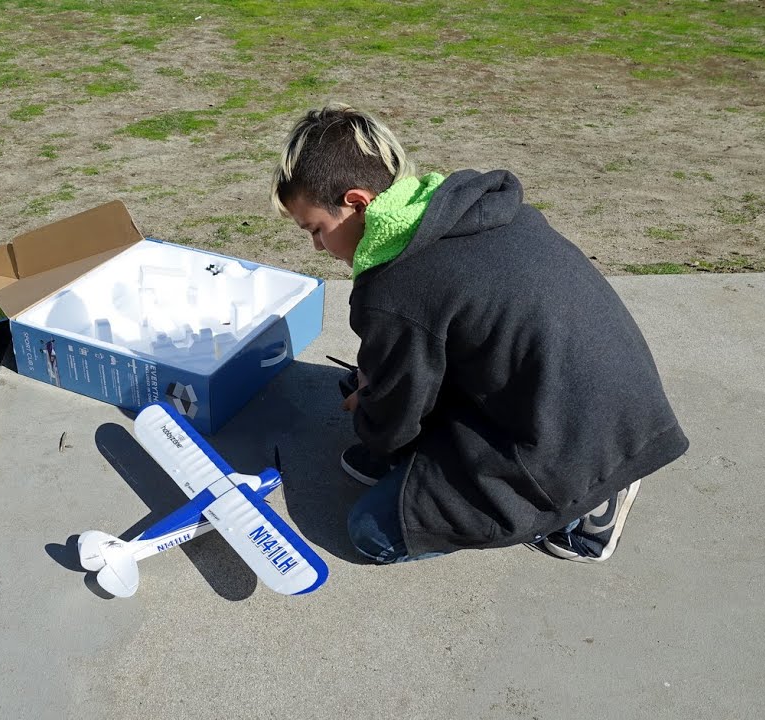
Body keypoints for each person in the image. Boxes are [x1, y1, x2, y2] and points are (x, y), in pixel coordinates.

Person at [269, 102, 690, 564]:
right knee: (385, 379)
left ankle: (582, 511)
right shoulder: (470, 208)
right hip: (608, 402)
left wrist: (371, 409)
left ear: (358, 203)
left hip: (565, 444)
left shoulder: (395, 288)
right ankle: (584, 465)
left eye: (316, 229)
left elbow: (391, 429)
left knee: (372, 532)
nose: (317, 246)